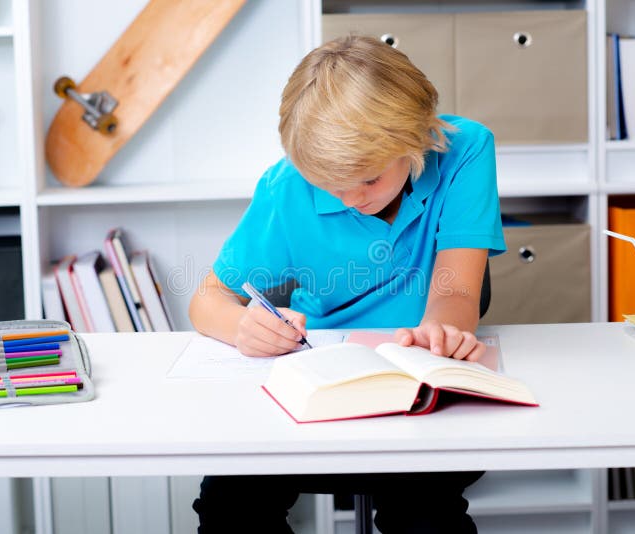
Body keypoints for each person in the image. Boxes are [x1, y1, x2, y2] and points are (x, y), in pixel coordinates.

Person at [189, 35, 505, 533]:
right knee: (231, 506)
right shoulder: (286, 187)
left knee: (424, 515)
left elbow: (457, 292)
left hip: (422, 389)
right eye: (330, 184)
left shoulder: (465, 150)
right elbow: (207, 300)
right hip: (319, 386)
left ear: (416, 138)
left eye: (369, 179)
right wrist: (243, 327)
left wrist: (440, 332)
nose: (352, 198)